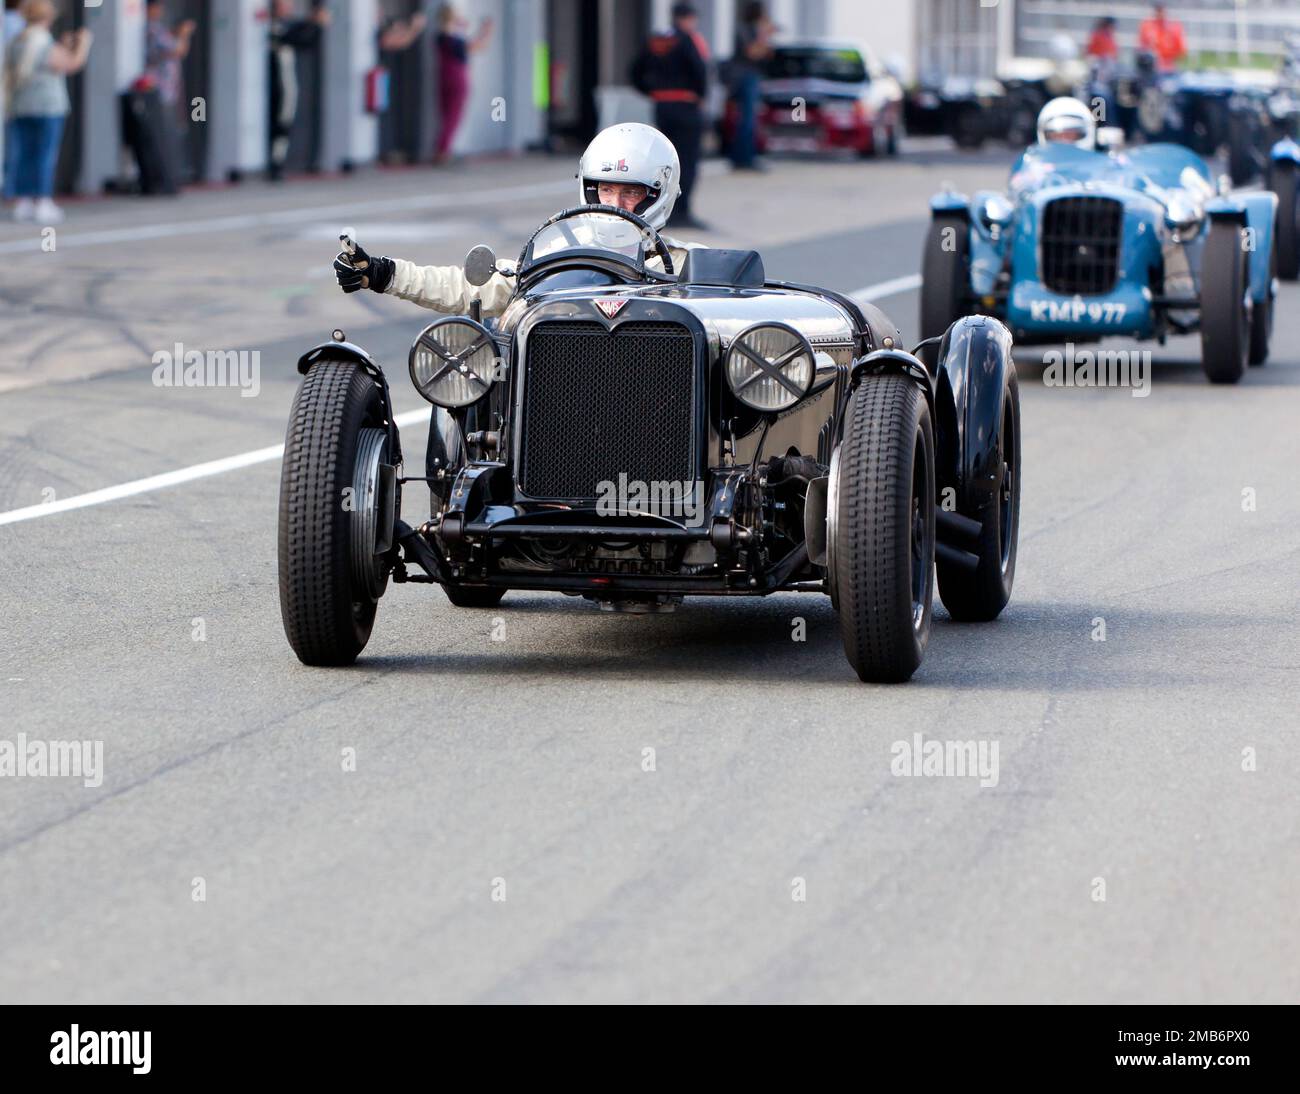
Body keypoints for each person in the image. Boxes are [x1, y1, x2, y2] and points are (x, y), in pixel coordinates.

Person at [334, 123, 695, 318]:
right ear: (589, 190)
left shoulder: (692, 268)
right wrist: (384, 273)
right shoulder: (557, 257)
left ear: (658, 194)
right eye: (605, 190)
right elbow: (471, 288)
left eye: (630, 193)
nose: (615, 204)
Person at [4, 0, 90, 223]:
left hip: (19, 105)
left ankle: (23, 201)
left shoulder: (17, 40)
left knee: (23, 155)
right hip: (47, 106)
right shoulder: (42, 41)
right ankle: (42, 200)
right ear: (47, 17)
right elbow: (71, 63)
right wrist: (84, 44)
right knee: (44, 155)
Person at [631, 1, 708, 230]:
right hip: (686, 105)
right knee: (687, 160)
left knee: (666, 160)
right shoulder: (688, 39)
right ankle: (682, 212)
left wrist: (651, 91)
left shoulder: (657, 40)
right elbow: (700, 71)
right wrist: (701, 96)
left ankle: (663, 209)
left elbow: (635, 71)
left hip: (662, 105)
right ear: (688, 18)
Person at [267, 0, 330, 181]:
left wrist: (316, 25)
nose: (289, 8)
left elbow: (305, 40)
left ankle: (277, 162)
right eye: (284, 4)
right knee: (278, 121)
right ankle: (273, 164)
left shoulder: (288, 26)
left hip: (285, 85)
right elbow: (294, 37)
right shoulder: (272, 26)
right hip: (274, 86)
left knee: (284, 121)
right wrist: (314, 23)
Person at [143, 1, 195, 185]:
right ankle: (166, 176)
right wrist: (184, 34)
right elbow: (177, 50)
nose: (161, 11)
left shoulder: (155, 29)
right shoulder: (153, 29)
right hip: (160, 91)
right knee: (164, 134)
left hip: (165, 90)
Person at [433, 4, 492, 165]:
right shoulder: (455, 38)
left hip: (443, 76)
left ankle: (443, 149)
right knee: (454, 116)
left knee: (446, 115)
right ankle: (442, 151)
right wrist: (486, 32)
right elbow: (477, 46)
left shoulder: (441, 36)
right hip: (458, 77)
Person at [728, 2, 774, 172]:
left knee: (750, 120)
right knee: (747, 121)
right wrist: (763, 37)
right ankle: (743, 159)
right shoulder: (745, 30)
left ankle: (745, 157)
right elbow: (752, 52)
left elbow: (766, 54)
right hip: (744, 78)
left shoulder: (752, 30)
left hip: (752, 77)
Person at [1138, 3, 1187, 74]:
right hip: (1150, 67)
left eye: (1161, 10)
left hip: (1169, 67)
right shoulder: (1147, 26)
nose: (1159, 13)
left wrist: (1167, 59)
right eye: (1158, 10)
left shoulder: (1174, 27)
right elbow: (1142, 47)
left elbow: (1181, 51)